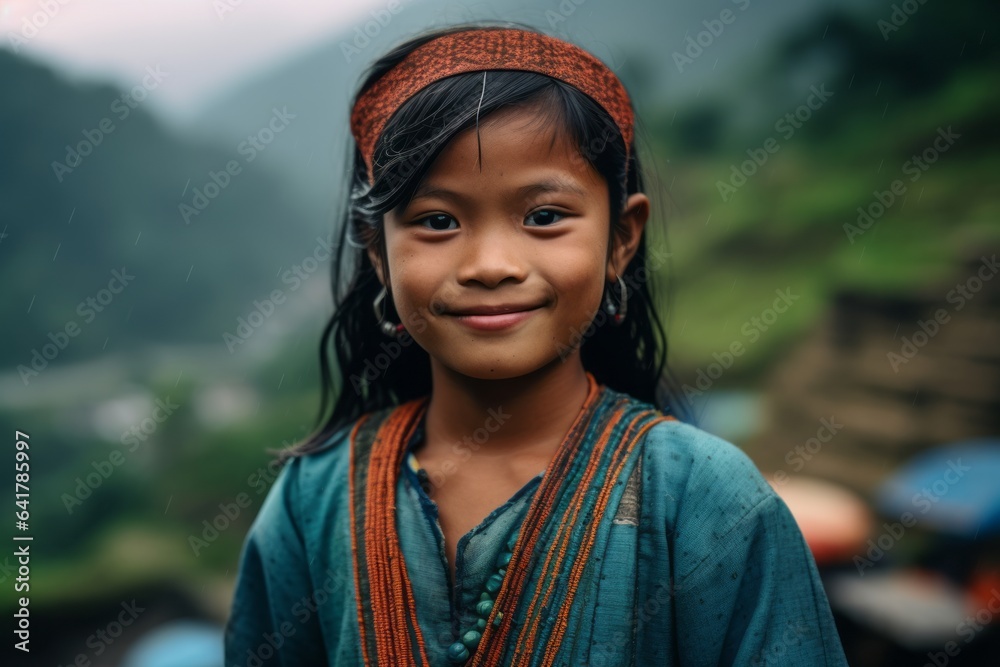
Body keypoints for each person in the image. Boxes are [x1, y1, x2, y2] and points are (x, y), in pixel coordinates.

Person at [223, 23, 849, 667]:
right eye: (437, 221)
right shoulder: (313, 500)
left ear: (622, 238)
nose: (491, 265)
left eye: (544, 216)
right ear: (378, 250)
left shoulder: (702, 499)